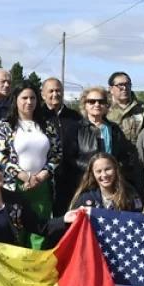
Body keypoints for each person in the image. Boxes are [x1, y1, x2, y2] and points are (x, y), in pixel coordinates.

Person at [0, 82, 63, 236]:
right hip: (15, 185)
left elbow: (57, 154)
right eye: (24, 98)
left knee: (41, 230)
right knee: (17, 229)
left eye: (33, 98)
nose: (29, 102)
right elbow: (1, 156)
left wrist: (42, 176)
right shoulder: (5, 126)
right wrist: (24, 177)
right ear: (16, 100)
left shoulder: (47, 125)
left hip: (42, 185)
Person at [72, 86, 140, 191]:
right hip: (86, 184)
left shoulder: (114, 129)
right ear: (85, 105)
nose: (97, 104)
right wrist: (93, 169)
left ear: (106, 105)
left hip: (112, 183)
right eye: (92, 101)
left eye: (101, 101)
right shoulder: (76, 128)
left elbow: (124, 155)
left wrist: (113, 169)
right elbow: (70, 158)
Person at [40, 77, 82, 215]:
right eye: (51, 91)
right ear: (43, 94)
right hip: (43, 176)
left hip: (70, 177)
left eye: (58, 90)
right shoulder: (37, 117)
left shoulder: (75, 117)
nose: (55, 94)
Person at [69, 152, 144, 212]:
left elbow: (138, 219)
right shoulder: (85, 198)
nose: (104, 175)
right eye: (99, 171)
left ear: (116, 169)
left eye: (108, 169)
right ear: (93, 174)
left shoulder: (130, 195)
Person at [105, 71, 144, 144]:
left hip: (137, 149)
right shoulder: (103, 108)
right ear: (111, 89)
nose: (124, 88)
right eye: (120, 85)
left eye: (128, 84)